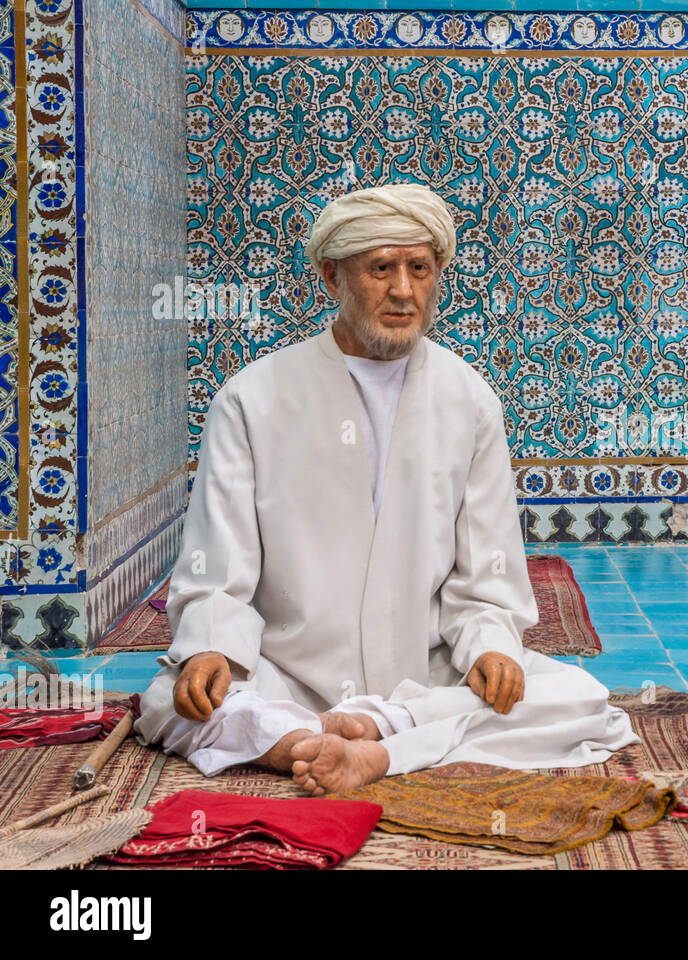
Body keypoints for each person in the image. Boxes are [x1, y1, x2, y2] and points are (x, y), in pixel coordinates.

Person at [135, 182, 638, 795]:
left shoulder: (469, 400)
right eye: (381, 268)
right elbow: (219, 567)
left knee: (579, 699)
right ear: (332, 277)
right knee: (171, 699)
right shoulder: (252, 399)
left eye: (420, 269)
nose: (404, 291)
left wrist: (489, 648)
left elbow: (486, 575)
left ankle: (370, 739)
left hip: (422, 677)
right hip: (287, 673)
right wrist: (212, 648)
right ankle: (315, 742)